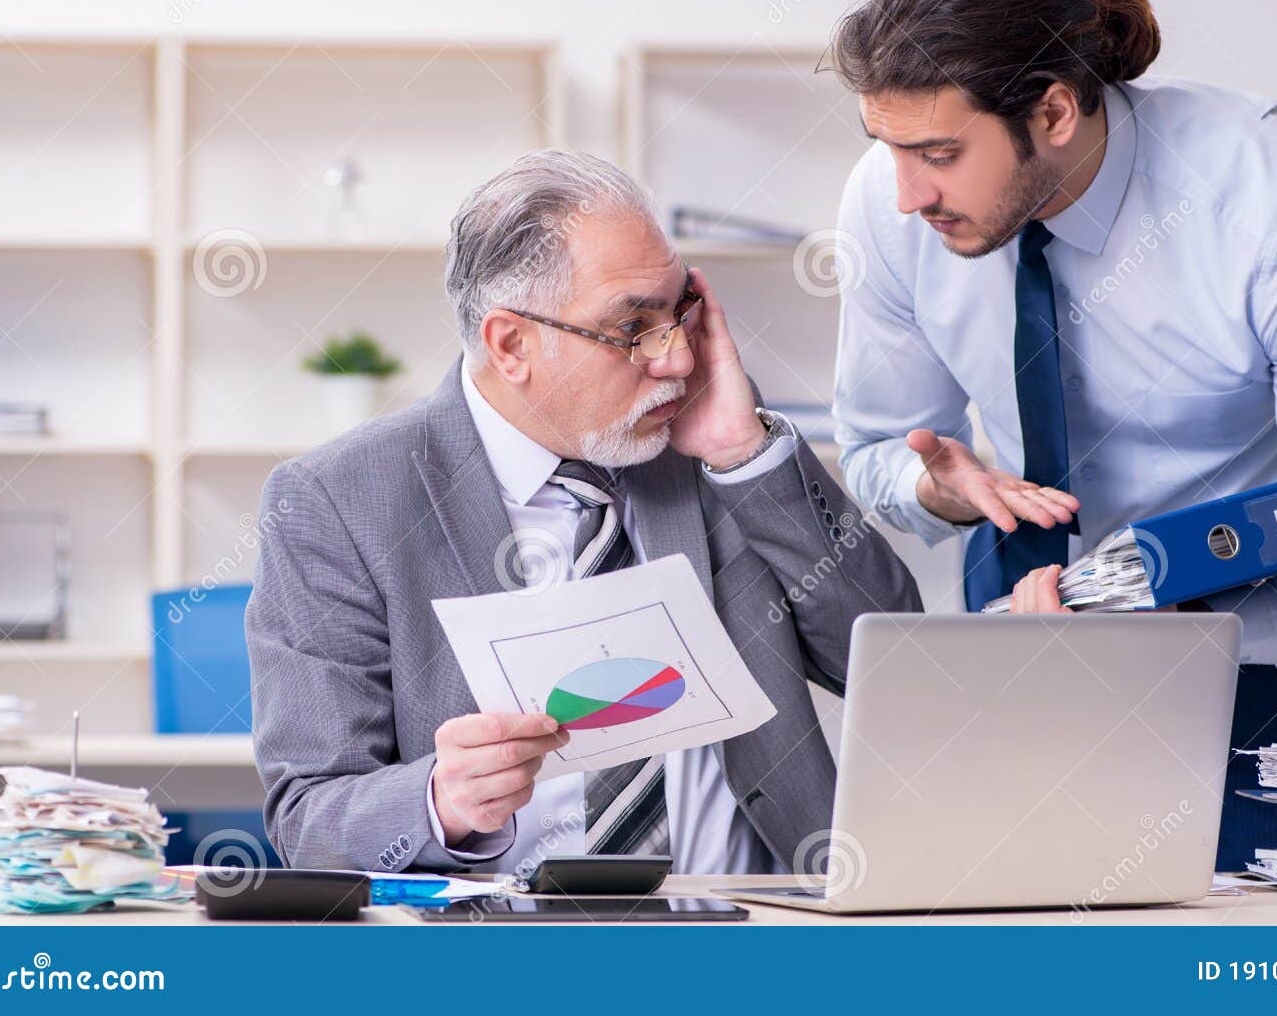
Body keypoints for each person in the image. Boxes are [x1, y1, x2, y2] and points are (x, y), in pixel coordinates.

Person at [827, 0, 1277, 869]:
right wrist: (937, 492)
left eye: (940, 153)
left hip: (1272, 674)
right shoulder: (890, 200)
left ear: (1054, 111)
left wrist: (1173, 634)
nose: (908, 194)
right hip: (1019, 642)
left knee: (1261, 945)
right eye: (889, 147)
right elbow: (875, 449)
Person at [246, 149, 920, 876]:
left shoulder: (712, 449)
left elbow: (898, 668)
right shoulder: (339, 501)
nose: (676, 361)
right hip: (503, 934)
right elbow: (308, 818)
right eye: (634, 328)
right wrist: (441, 802)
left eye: (680, 314)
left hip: (751, 922)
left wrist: (746, 458)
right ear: (512, 345)